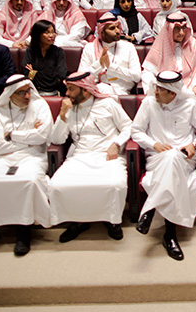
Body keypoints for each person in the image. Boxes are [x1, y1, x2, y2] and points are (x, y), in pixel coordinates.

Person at [131, 70, 196, 260]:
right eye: (156, 87)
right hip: (157, 156)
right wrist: (154, 144)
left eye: (160, 90)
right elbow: (136, 131)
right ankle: (169, 234)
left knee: (174, 157)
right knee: (170, 158)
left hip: (185, 157)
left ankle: (150, 212)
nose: (155, 92)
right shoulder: (149, 103)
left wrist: (193, 144)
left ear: (173, 93)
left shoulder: (190, 103)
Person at [49, 71, 133, 242]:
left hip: (108, 154)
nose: (67, 94)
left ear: (86, 90)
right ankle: (78, 221)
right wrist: (63, 114)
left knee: (115, 184)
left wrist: (116, 144)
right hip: (80, 155)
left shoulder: (108, 103)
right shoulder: (69, 108)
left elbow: (128, 126)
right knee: (57, 185)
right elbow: (57, 139)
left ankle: (112, 220)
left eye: (71, 89)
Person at [0, 75, 52, 257]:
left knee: (29, 180)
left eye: (28, 91)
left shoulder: (40, 106)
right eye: (21, 93)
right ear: (10, 95)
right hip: (0, 157)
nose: (27, 96)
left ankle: (24, 229)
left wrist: (11, 135)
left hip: (31, 156)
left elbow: (42, 137)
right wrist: (28, 137)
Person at [79, 12, 141, 96]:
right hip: (95, 91)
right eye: (112, 28)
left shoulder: (129, 47)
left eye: (118, 27)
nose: (117, 31)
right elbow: (81, 78)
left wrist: (111, 67)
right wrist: (99, 64)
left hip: (121, 93)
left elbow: (137, 76)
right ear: (102, 32)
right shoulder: (89, 48)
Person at [142, 13, 196, 93]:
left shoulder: (193, 44)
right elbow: (148, 72)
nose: (181, 33)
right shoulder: (160, 45)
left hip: (189, 90)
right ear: (169, 29)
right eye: (177, 29)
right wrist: (150, 89)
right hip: (165, 91)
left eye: (183, 28)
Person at [22, 20, 67, 96]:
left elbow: (61, 75)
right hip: (35, 92)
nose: (51, 35)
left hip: (56, 92)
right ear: (38, 34)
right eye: (47, 32)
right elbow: (27, 74)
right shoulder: (30, 51)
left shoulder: (58, 52)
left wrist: (35, 73)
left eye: (53, 32)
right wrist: (51, 73)